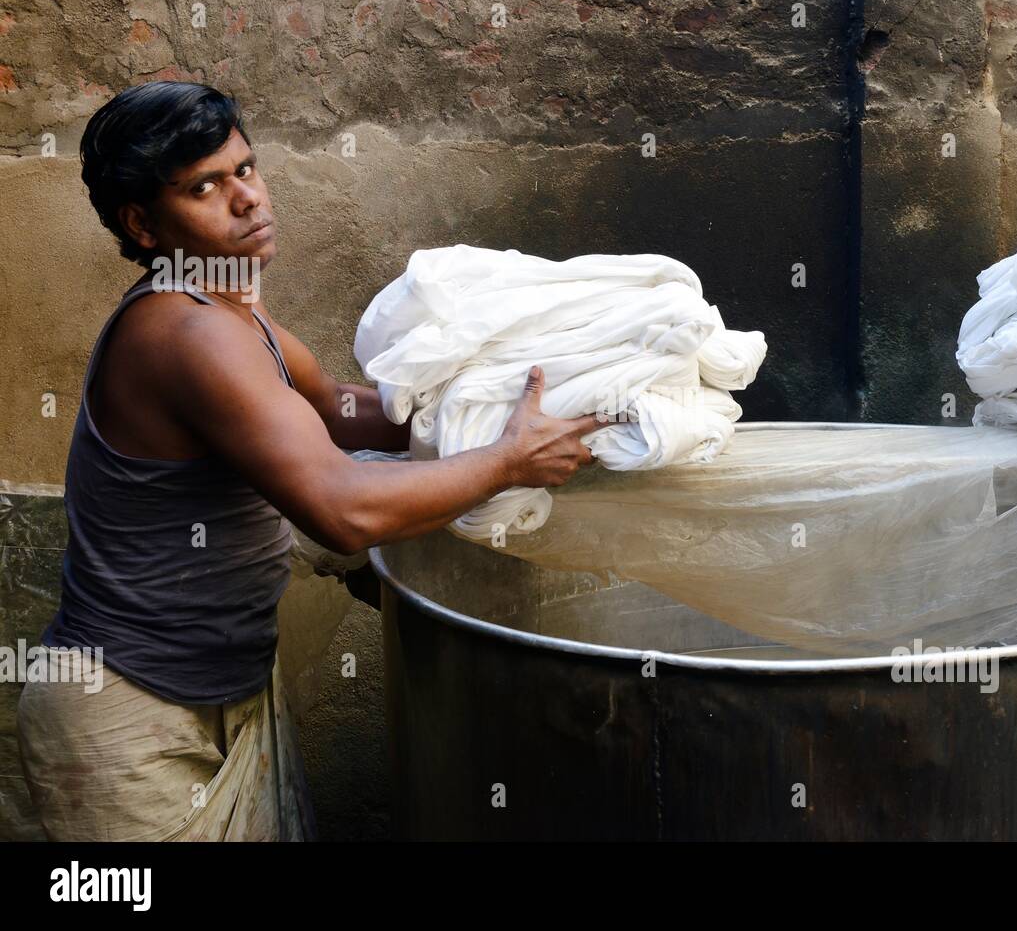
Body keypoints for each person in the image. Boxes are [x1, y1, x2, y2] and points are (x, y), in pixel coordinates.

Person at [16, 81, 604, 841]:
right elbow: (342, 510)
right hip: (129, 722)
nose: (247, 198)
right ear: (141, 223)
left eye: (245, 169)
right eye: (204, 187)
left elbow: (337, 411)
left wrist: (488, 403)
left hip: (222, 691)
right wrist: (508, 461)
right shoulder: (186, 335)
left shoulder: (231, 305)